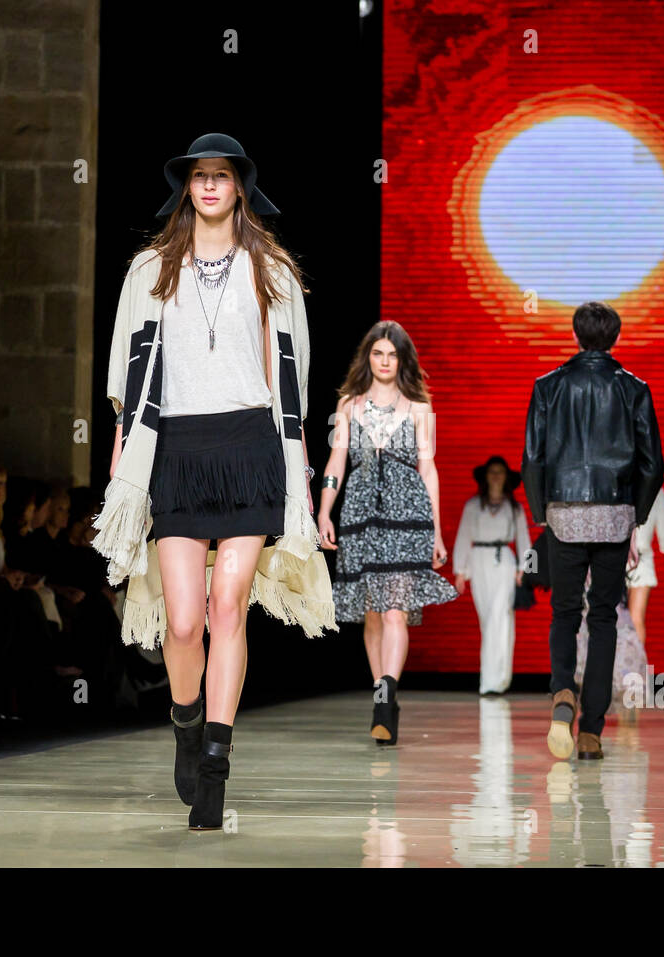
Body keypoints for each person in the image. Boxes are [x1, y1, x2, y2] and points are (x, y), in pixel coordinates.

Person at [94, 132, 334, 831]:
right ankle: (184, 720)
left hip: (250, 443)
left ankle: (217, 764)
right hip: (175, 447)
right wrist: (121, 448)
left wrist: (297, 457)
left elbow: (291, 374)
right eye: (198, 176)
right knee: (185, 617)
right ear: (187, 187)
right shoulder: (150, 270)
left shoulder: (274, 271)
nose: (208, 186)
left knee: (228, 604)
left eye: (220, 176)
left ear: (239, 187)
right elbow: (130, 371)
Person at [522, 302, 664, 761]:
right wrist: (636, 515)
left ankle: (563, 693)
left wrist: (542, 513)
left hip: (564, 513)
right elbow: (653, 465)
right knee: (603, 619)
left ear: (577, 335)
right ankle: (592, 731)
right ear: (615, 338)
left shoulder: (549, 386)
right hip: (614, 514)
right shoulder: (634, 389)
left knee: (564, 614)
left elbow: (533, 458)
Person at [317, 320, 459, 744]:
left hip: (407, 513)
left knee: (395, 608)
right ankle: (383, 695)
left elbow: (428, 469)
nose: (384, 361)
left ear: (402, 360)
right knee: (373, 613)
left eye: (392, 355)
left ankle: (384, 697)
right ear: (368, 357)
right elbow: (336, 463)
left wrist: (434, 530)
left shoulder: (419, 408)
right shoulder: (348, 405)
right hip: (360, 513)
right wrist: (324, 512)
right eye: (378, 353)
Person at [452, 455, 532, 694]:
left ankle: (495, 681)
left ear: (506, 477)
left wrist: (524, 570)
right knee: (488, 619)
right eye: (492, 471)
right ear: (485, 476)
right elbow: (463, 537)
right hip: (479, 562)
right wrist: (460, 571)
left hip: (505, 562)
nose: (496, 476)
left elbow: (524, 538)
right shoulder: (473, 506)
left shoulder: (513, 507)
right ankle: (492, 679)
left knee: (501, 617)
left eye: (500, 471)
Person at [625, 485, 664, 648]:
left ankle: (615, 667)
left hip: (613, 557)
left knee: (611, 618)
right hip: (641, 558)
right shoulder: (655, 489)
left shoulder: (615, 479)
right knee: (636, 618)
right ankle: (634, 668)